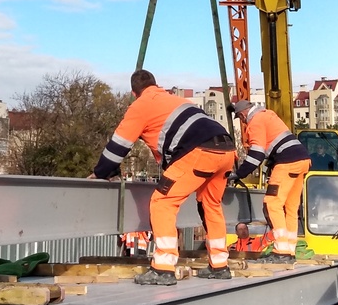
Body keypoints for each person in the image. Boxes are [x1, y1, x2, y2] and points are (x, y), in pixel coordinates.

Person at [90, 69, 236, 285]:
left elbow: (117, 147)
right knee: (210, 206)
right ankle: (220, 265)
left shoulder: (140, 106)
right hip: (226, 149)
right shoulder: (176, 100)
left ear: (134, 93)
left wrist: (101, 172)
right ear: (155, 84)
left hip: (199, 151)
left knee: (162, 202)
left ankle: (163, 268)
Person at [232, 100, 312, 262]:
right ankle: (289, 250)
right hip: (303, 161)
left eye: (240, 118)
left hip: (287, 162)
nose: (242, 121)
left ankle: (281, 251)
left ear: (242, 114)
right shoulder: (268, 115)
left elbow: (257, 154)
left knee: (272, 203)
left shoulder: (255, 122)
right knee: (290, 207)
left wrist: (238, 174)